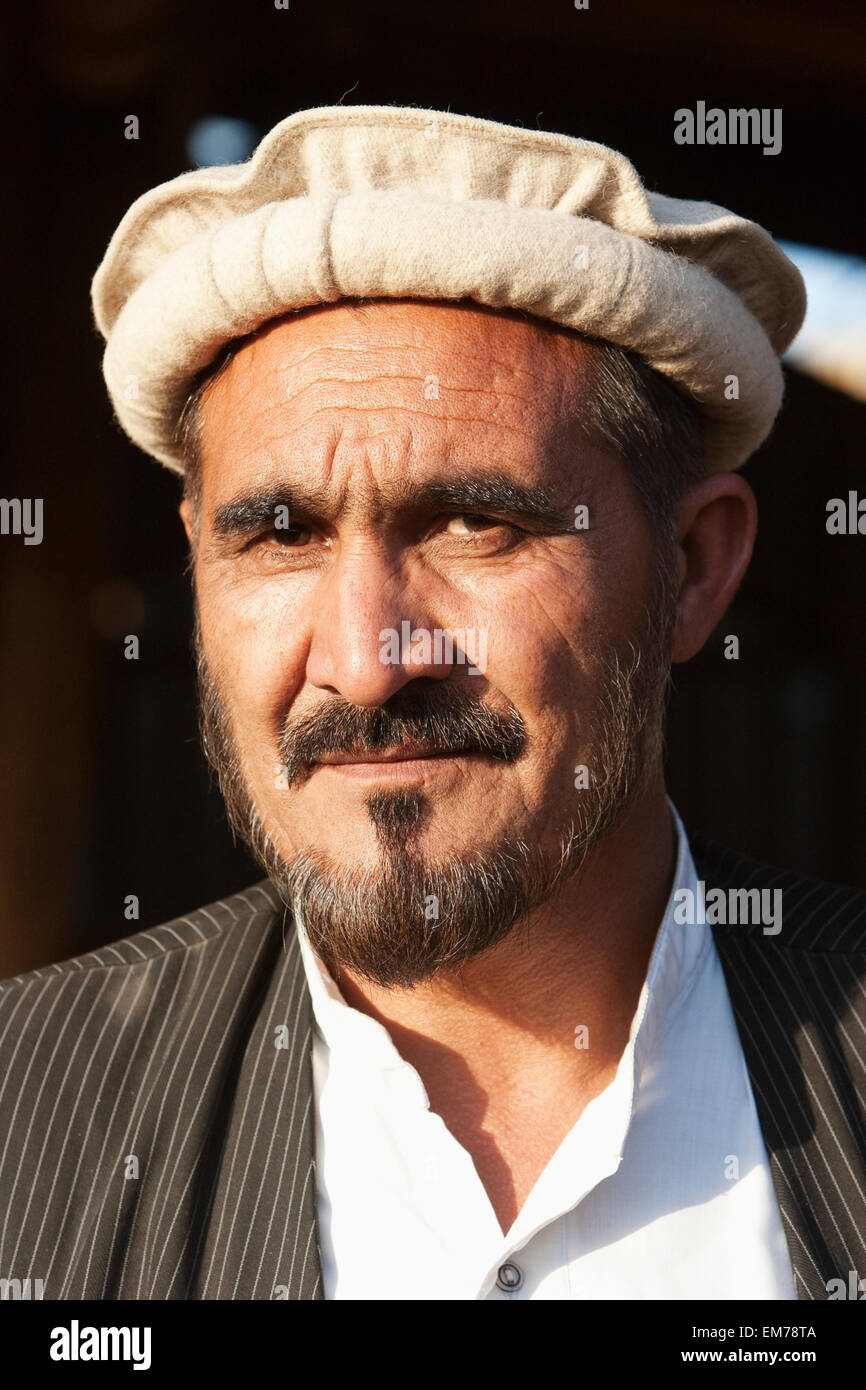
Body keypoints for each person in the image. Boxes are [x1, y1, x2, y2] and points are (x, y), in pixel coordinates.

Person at [1, 105, 864, 1302]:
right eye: (280, 535)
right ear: (197, 561)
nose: (365, 661)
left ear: (692, 568)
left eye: (478, 525)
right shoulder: (21, 1115)